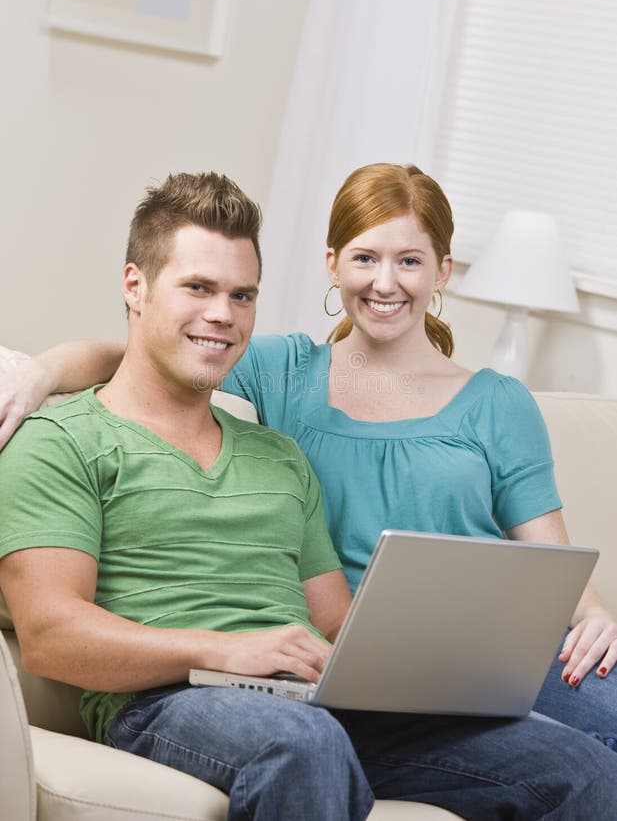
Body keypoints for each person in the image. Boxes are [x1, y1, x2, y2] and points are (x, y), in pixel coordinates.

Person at [1, 172, 617, 820]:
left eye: (242, 296)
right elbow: (48, 636)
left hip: (308, 700)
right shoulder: (61, 442)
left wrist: (399, 670)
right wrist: (226, 651)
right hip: (172, 697)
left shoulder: (279, 457)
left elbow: (332, 621)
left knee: (577, 766)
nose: (222, 314)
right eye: (198, 288)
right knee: (303, 742)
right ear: (135, 286)